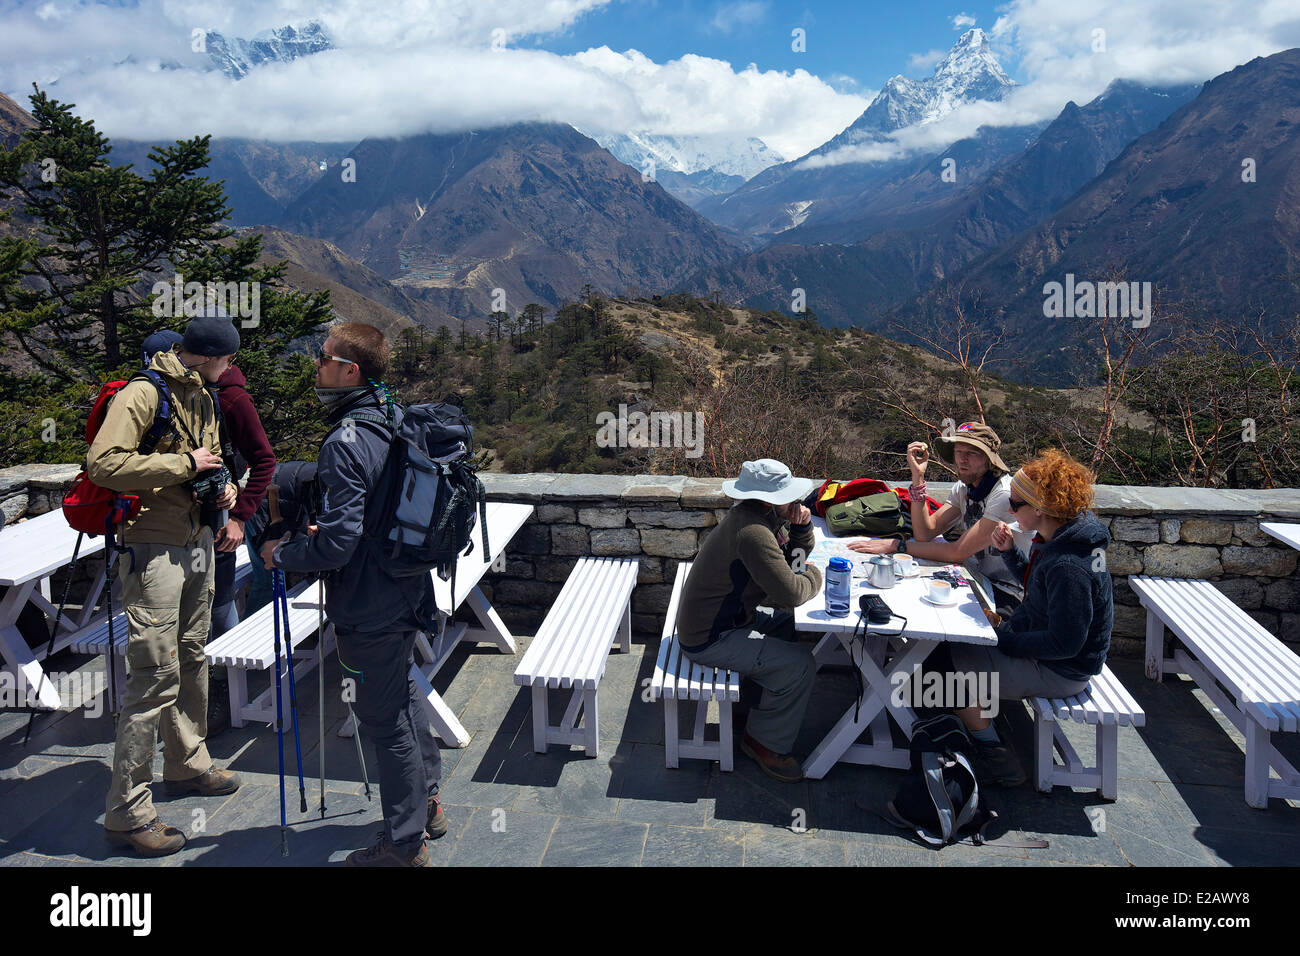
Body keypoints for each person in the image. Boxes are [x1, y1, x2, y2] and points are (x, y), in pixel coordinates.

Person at [265, 322, 444, 867]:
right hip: (406, 586)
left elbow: (338, 546)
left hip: (369, 603)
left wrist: (282, 555)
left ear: (350, 371)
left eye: (323, 359)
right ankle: (427, 805)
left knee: (385, 722)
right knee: (403, 696)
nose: (316, 366)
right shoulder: (391, 415)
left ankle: (404, 844)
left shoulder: (345, 440)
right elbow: (374, 514)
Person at [89, 316, 244, 858]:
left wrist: (222, 489)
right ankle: (127, 813)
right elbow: (103, 463)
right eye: (228, 359)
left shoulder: (202, 393)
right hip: (153, 547)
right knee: (154, 674)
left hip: (196, 539)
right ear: (209, 356)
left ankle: (187, 763)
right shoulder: (141, 394)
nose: (232, 368)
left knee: (192, 653)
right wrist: (184, 463)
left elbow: (208, 461)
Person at [946, 449, 1114, 786]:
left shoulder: (1069, 565)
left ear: (1039, 508)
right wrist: (1010, 554)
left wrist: (1004, 639)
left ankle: (995, 755)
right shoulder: (1060, 537)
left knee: (944, 673)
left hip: (1061, 671)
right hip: (1052, 656)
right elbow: (1039, 586)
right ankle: (972, 724)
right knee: (950, 646)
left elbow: (1066, 643)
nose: (1010, 510)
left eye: (1016, 503)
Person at [675, 458, 822, 783]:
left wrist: (801, 530)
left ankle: (752, 709)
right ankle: (763, 744)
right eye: (788, 495)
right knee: (801, 665)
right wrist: (818, 577)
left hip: (730, 621)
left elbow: (792, 566)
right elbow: (792, 592)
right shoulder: (753, 532)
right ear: (769, 499)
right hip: (709, 637)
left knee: (789, 627)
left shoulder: (762, 517)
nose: (795, 500)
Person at [848, 422, 1031, 608]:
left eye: (972, 453)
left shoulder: (1003, 494)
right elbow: (925, 533)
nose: (962, 459)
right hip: (978, 578)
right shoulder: (964, 488)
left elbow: (957, 552)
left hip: (1007, 593)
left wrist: (897, 545)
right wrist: (918, 477)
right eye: (958, 451)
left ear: (989, 459)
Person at [205, 358, 276, 734]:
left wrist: (239, 514)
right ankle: (218, 686)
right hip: (178, 527)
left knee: (220, 603)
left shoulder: (229, 397)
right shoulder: (172, 393)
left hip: (219, 522)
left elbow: (264, 460)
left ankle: (225, 686)